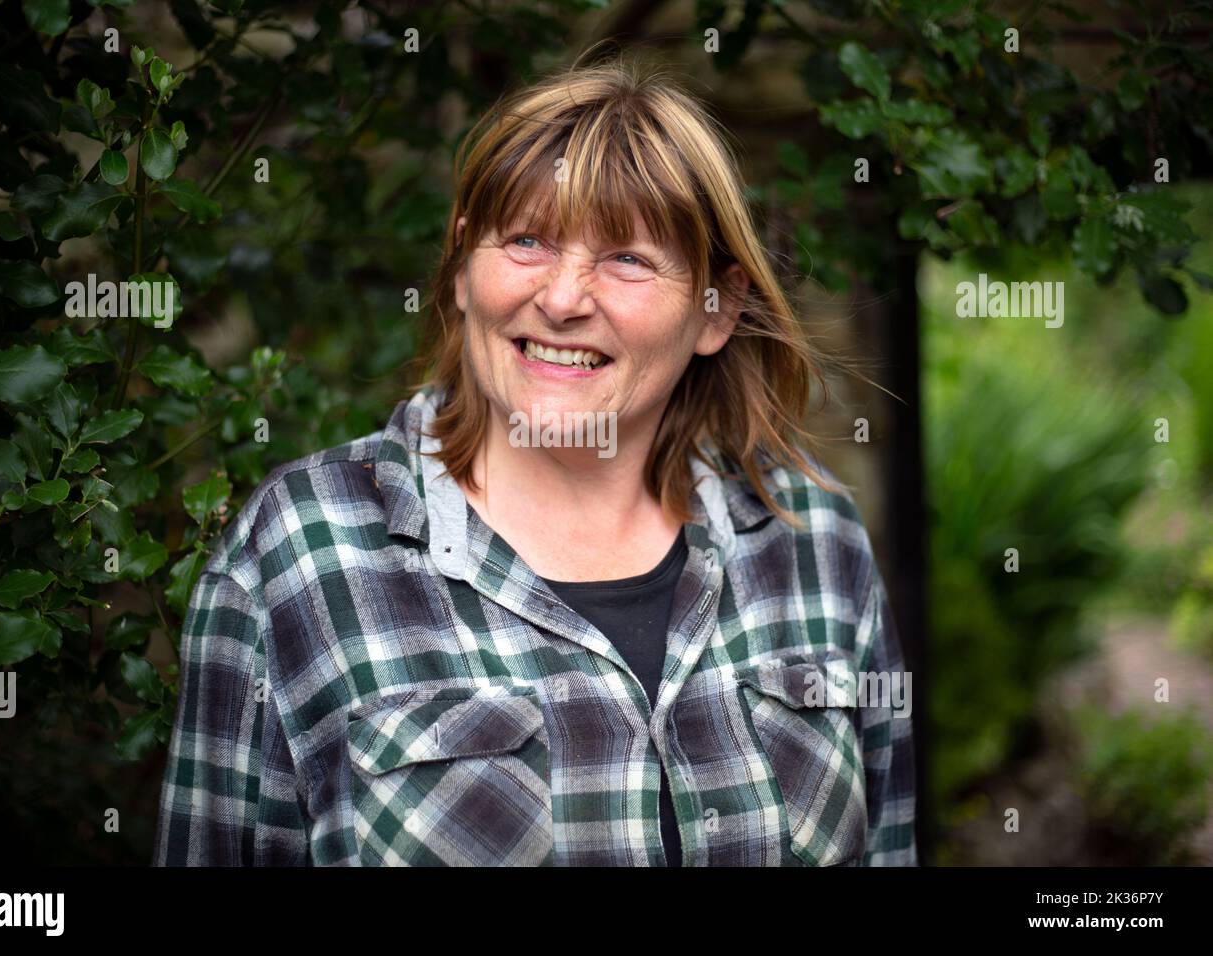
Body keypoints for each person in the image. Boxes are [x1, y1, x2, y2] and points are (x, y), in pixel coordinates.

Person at [153, 55, 917, 867]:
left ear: (715, 310)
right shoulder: (298, 554)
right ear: (459, 270)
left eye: (627, 258)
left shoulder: (815, 546)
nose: (560, 298)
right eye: (525, 240)